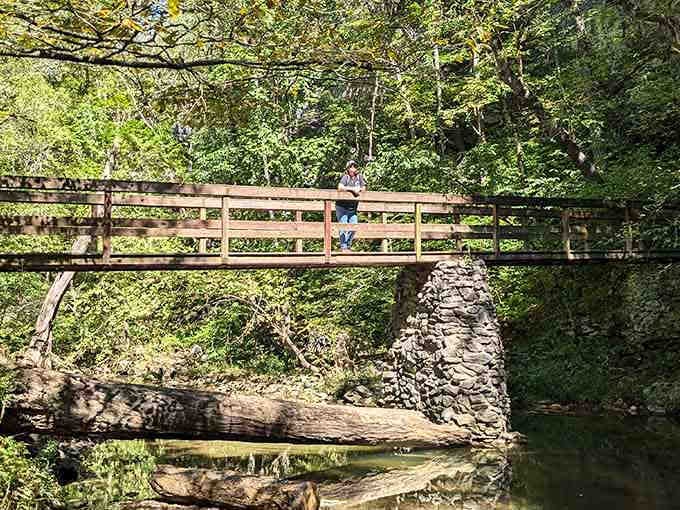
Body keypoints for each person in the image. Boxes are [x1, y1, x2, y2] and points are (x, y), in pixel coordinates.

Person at [336, 160, 366, 252]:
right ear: (348, 169)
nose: (353, 168)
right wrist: (352, 189)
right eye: (351, 167)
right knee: (343, 226)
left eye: (355, 166)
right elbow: (340, 187)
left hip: (353, 207)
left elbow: (364, 188)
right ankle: (344, 247)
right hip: (342, 206)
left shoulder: (359, 177)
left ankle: (348, 245)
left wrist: (359, 189)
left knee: (354, 226)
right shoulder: (346, 177)